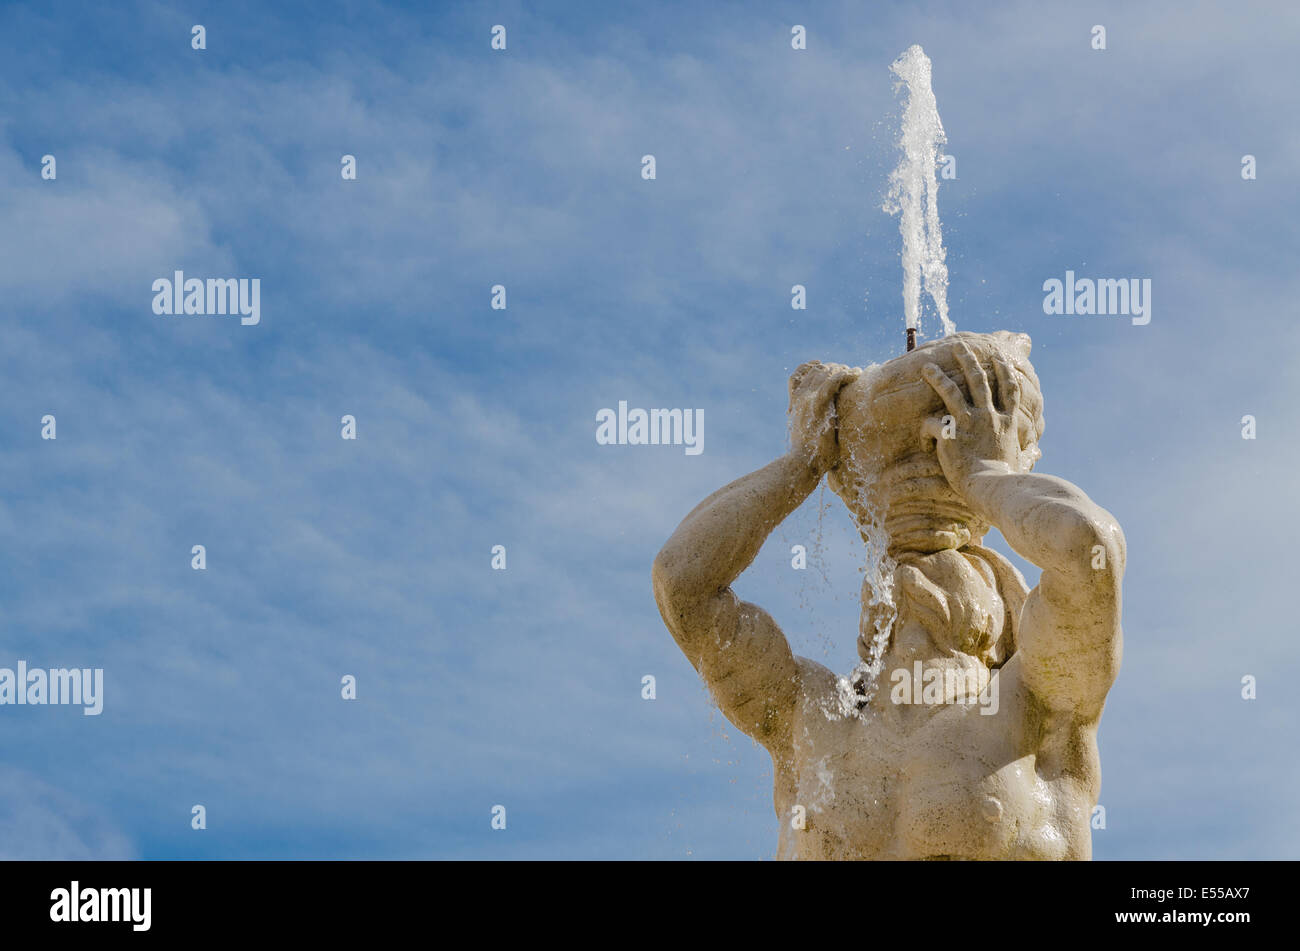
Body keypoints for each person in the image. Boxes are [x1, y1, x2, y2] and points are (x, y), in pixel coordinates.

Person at [652, 332, 1124, 859]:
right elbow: (683, 583)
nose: (911, 580)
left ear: (998, 608)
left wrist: (986, 476)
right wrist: (801, 466)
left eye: (951, 567)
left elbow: (1087, 550)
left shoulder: (1039, 710)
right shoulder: (812, 725)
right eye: (894, 576)